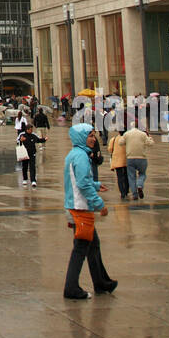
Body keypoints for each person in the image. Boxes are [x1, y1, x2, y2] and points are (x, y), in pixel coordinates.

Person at [62, 123, 117, 299]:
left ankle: (102, 282)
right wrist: (99, 204)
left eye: (94, 135)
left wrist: (96, 184)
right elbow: (83, 184)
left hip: (75, 205)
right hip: (80, 208)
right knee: (81, 248)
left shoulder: (75, 154)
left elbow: (79, 180)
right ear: (81, 137)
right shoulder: (81, 157)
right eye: (89, 135)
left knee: (93, 245)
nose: (93, 138)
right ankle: (71, 288)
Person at [120, 122, 154, 199]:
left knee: (131, 176)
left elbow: (120, 142)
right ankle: (139, 185)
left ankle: (134, 194)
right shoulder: (143, 134)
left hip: (130, 158)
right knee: (142, 174)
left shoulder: (127, 134)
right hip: (142, 157)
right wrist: (150, 138)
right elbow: (151, 143)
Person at [17, 122, 46, 187]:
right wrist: (21, 140)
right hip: (24, 153)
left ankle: (33, 180)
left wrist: (44, 139)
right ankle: (25, 179)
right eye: (30, 129)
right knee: (25, 167)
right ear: (27, 129)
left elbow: (38, 140)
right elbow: (17, 141)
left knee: (32, 167)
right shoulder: (22, 134)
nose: (31, 131)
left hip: (32, 153)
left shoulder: (33, 135)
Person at [107, 129, 129, 199]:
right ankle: (126, 190)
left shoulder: (114, 139)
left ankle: (122, 192)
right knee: (126, 176)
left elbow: (110, 149)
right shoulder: (127, 139)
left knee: (119, 177)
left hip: (117, 160)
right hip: (126, 159)